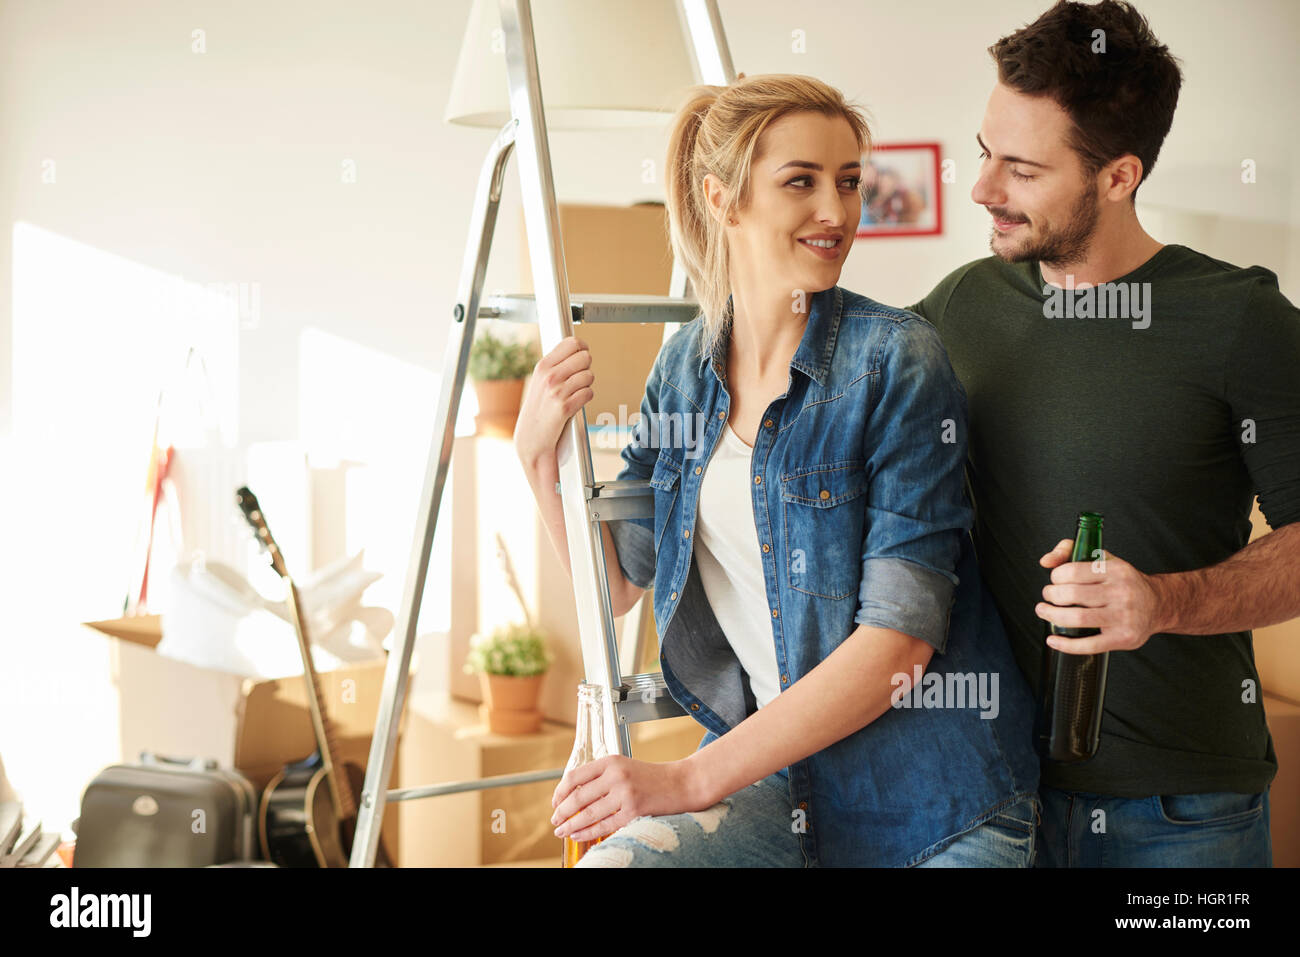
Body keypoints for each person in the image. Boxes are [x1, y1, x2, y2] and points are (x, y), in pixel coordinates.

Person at [513, 73, 1040, 867]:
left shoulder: (895, 361)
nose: (837, 211)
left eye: (850, 182)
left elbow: (898, 647)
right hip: (779, 784)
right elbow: (622, 582)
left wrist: (685, 778)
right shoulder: (682, 372)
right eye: (802, 181)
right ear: (722, 198)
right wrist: (534, 457)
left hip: (936, 801)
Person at [907, 0, 1300, 867]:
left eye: (1021, 169)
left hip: (1183, 812)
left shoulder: (1243, 321)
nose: (982, 189)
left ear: (1118, 175)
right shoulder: (965, 303)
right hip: (991, 800)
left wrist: (1162, 602)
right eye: (984, 153)